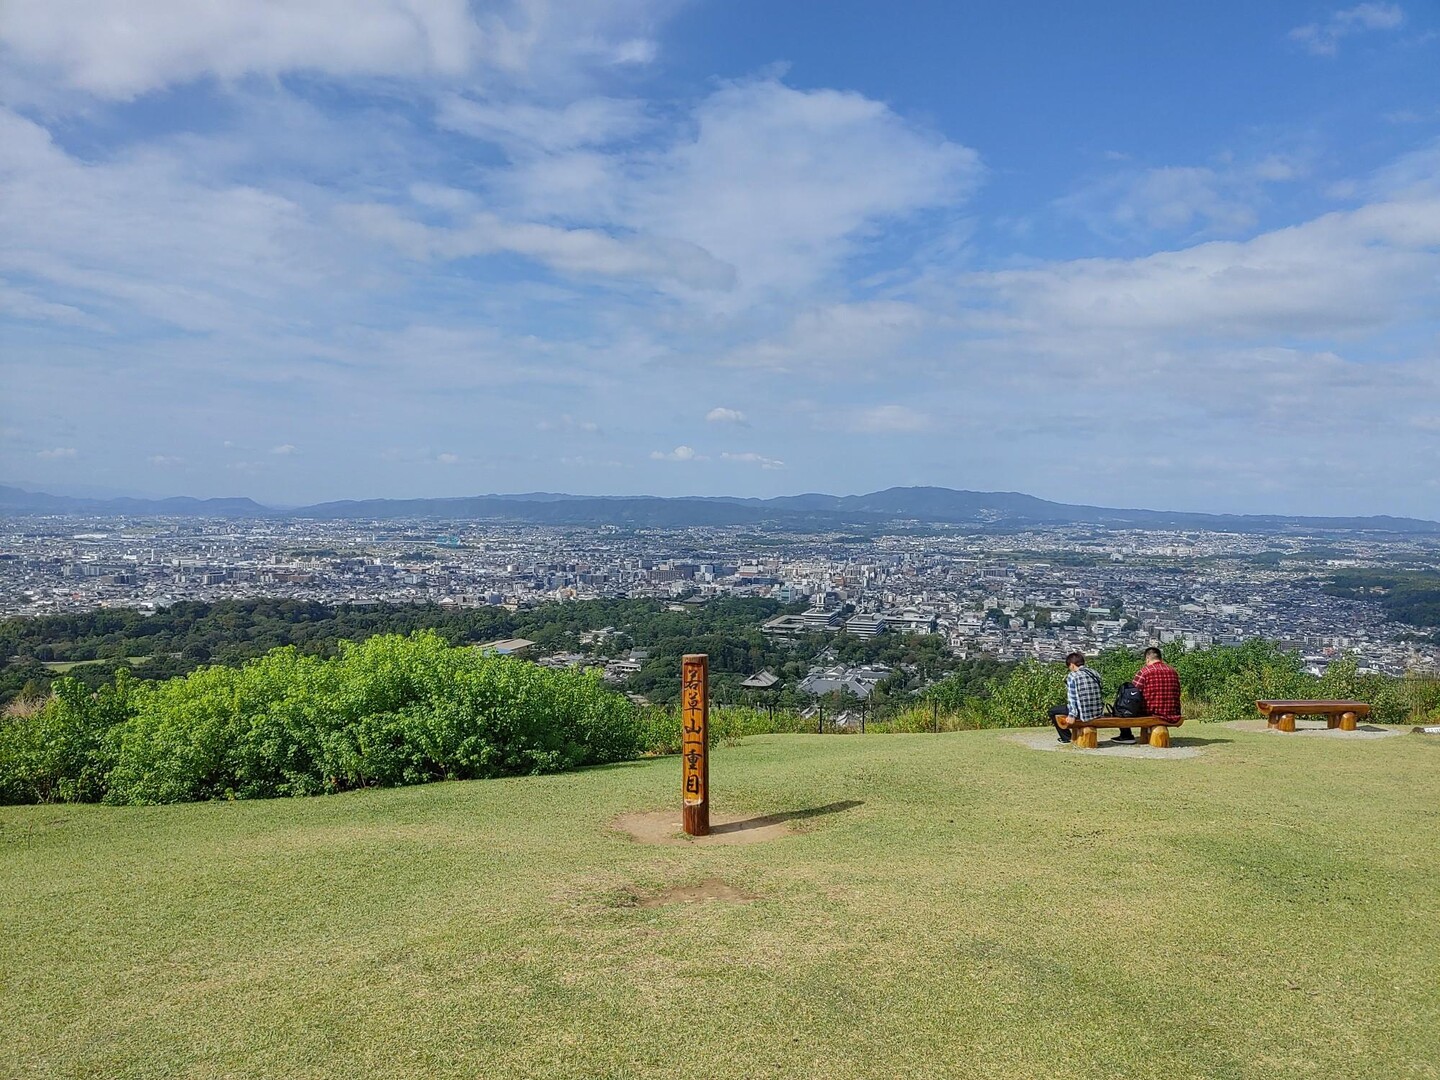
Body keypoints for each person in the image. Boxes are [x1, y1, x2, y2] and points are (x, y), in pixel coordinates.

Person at [1049, 652, 1104, 744]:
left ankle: (1066, 738)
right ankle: (1068, 737)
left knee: (1052, 711)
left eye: (1069, 666)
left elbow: (1072, 697)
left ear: (1072, 665)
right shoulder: (1094, 673)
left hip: (1083, 713)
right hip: (1097, 712)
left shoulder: (1073, 676)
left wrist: (1072, 715)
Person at [1129, 645, 1182, 734]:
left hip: (1149, 713)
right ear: (1160, 658)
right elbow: (1178, 692)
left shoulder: (1144, 672)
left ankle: (1126, 735)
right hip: (1173, 713)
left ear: (1147, 659)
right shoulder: (1173, 671)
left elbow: (1133, 693)